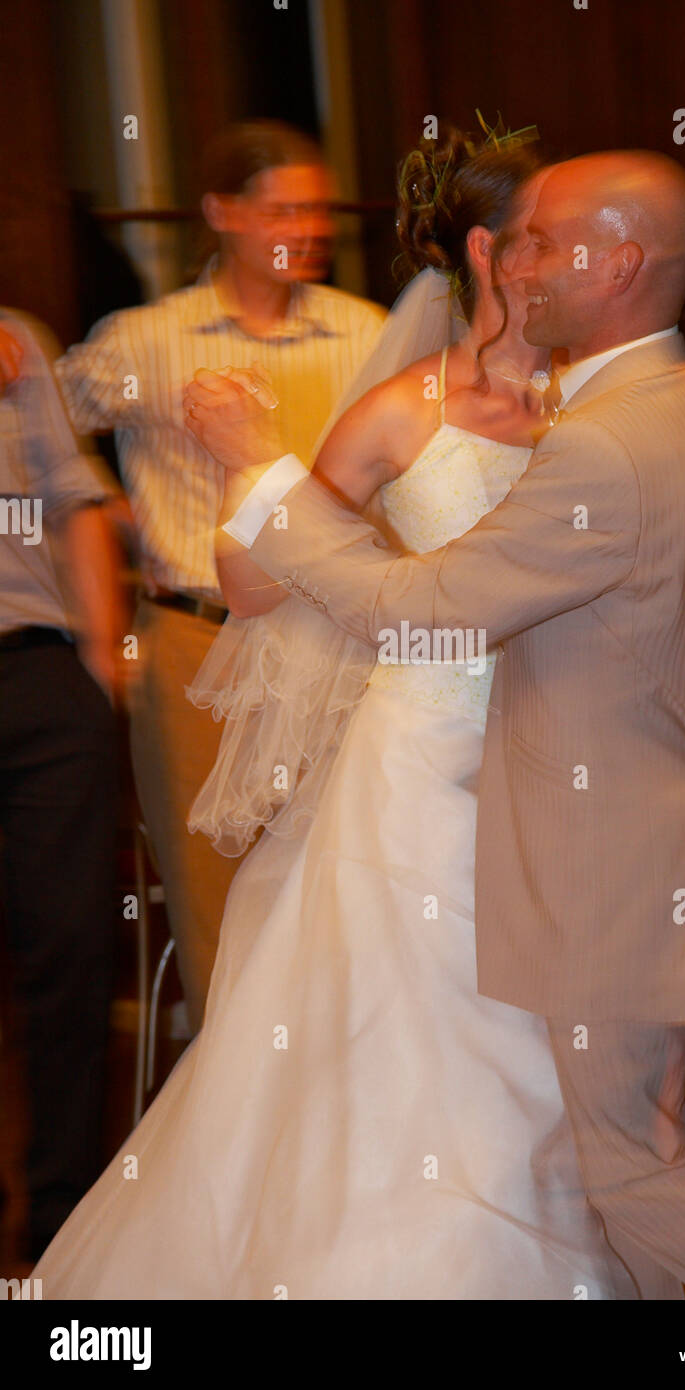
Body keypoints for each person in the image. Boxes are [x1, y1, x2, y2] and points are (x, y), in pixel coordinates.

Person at [187, 151, 685, 1299]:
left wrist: (257, 467)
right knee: (632, 1151)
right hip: (619, 821)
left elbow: (419, 610)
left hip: (602, 857)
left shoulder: (613, 439)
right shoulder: (684, 401)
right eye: (514, 236)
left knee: (641, 1170)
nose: (513, 260)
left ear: (622, 262)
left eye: (543, 239)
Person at [32, 129, 650, 1300]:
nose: (580, 256)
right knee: (433, 1034)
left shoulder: (608, 399)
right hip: (424, 765)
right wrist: (248, 464)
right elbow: (260, 579)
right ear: (492, 253)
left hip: (568, 758)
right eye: (551, 236)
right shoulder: (400, 409)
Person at [54, 121, 386, 1031]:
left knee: (343, 885)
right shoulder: (143, 341)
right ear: (222, 213)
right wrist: (101, 509)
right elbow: (42, 435)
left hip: (335, 641)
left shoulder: (365, 335)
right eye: (284, 207)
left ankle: (340, 1104)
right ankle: (240, 1131)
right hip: (195, 640)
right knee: (214, 900)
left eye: (316, 207)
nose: (308, 225)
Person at [0, 308, 120, 1265]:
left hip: (36, 672)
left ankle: (64, 1233)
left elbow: (72, 496)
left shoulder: (15, 340)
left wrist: (99, 672)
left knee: (70, 958)